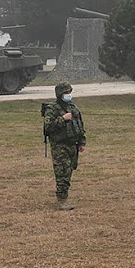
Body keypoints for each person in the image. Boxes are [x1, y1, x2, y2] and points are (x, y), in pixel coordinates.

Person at [41, 81, 87, 210]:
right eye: (66, 92)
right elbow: (48, 127)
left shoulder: (72, 107)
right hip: (60, 146)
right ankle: (61, 200)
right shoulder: (52, 109)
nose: (68, 94)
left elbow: (79, 124)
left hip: (72, 145)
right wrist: (63, 119)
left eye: (70, 92)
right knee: (62, 173)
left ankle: (63, 197)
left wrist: (81, 141)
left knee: (69, 171)